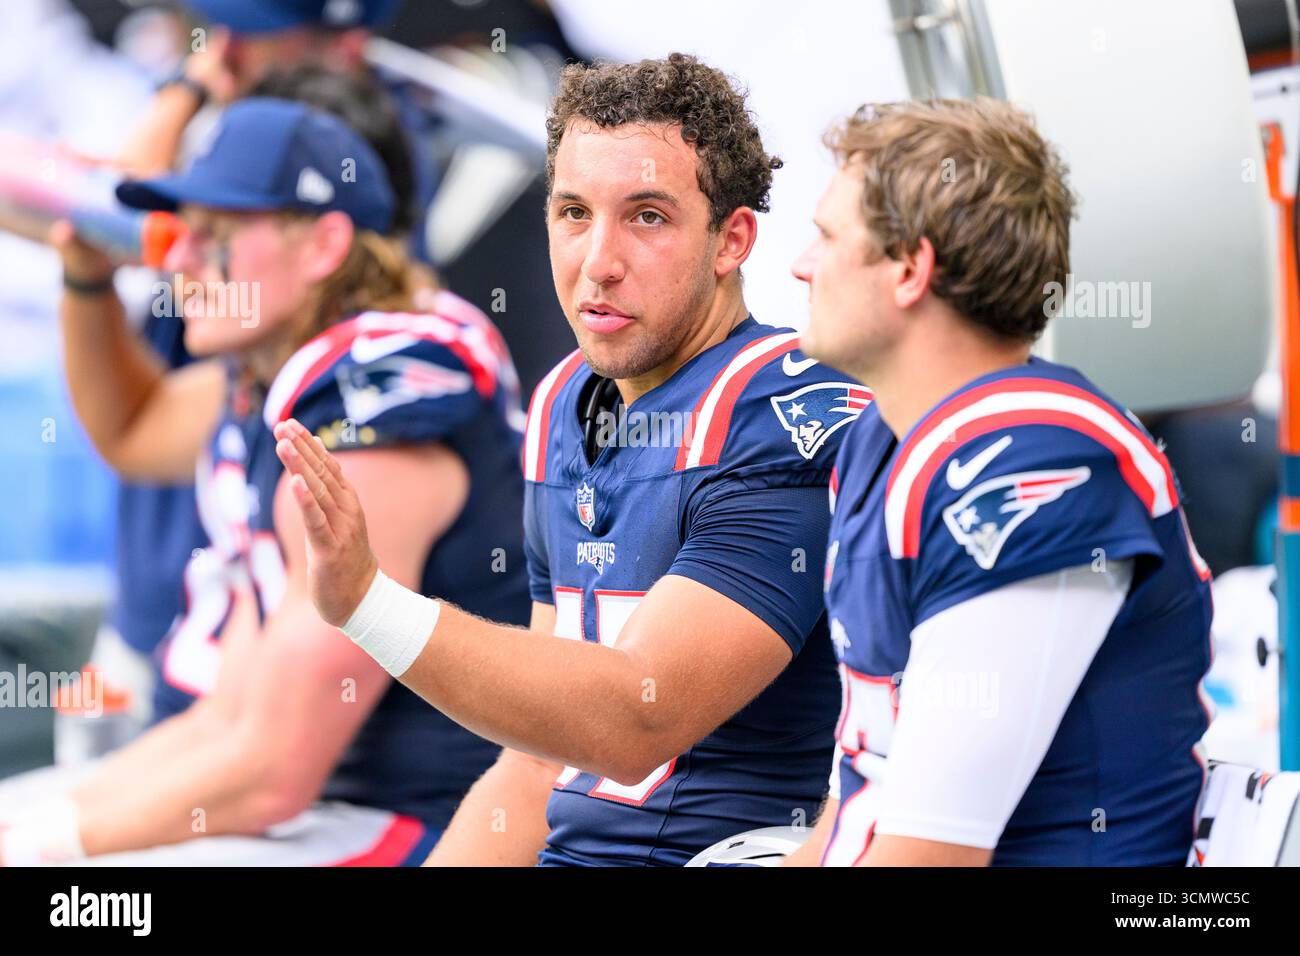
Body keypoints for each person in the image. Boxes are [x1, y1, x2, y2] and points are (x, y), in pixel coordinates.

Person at [274, 53, 866, 866]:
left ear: (732, 239)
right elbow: (537, 762)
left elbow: (636, 722)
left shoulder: (780, 413)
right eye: (574, 212)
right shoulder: (562, 400)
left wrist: (370, 605)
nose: (598, 260)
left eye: (648, 216)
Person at [0, 99, 528, 865]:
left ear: (322, 244)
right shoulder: (267, 382)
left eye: (214, 236)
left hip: (426, 825)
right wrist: (49, 824)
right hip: (320, 809)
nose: (178, 262)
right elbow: (228, 721)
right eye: (181, 234)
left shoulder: (369, 407)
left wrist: (53, 846)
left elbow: (276, 769)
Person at [785, 98, 1213, 866]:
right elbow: (859, 797)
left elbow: (930, 857)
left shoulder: (1040, 463)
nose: (800, 264)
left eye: (825, 236)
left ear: (910, 268)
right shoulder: (880, 438)